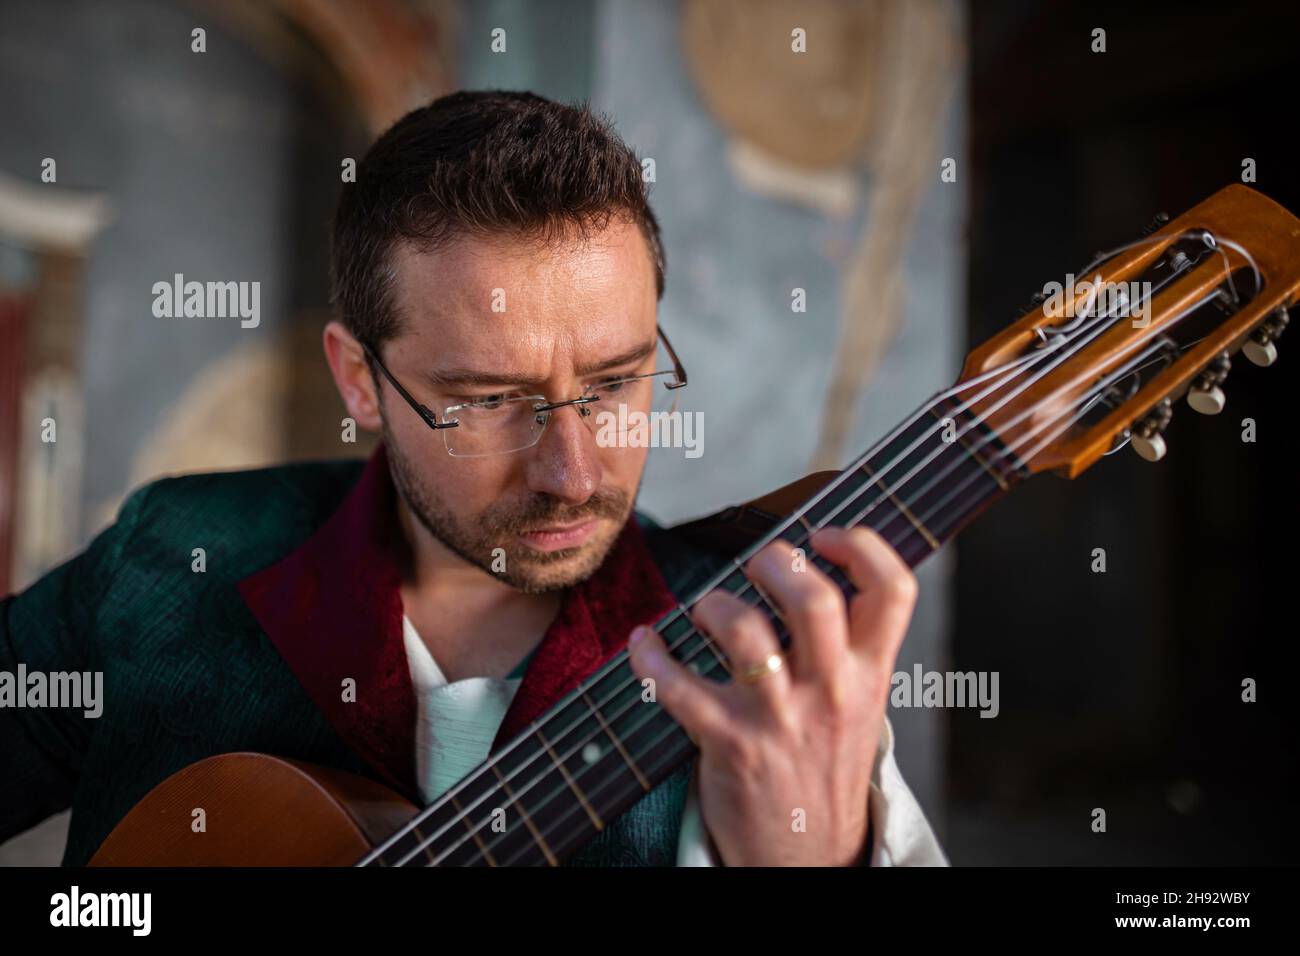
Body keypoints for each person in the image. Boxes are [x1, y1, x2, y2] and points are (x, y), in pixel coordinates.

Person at [0, 89, 945, 867]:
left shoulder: (766, 678)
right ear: (359, 380)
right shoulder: (167, 560)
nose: (572, 472)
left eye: (616, 382)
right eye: (490, 401)